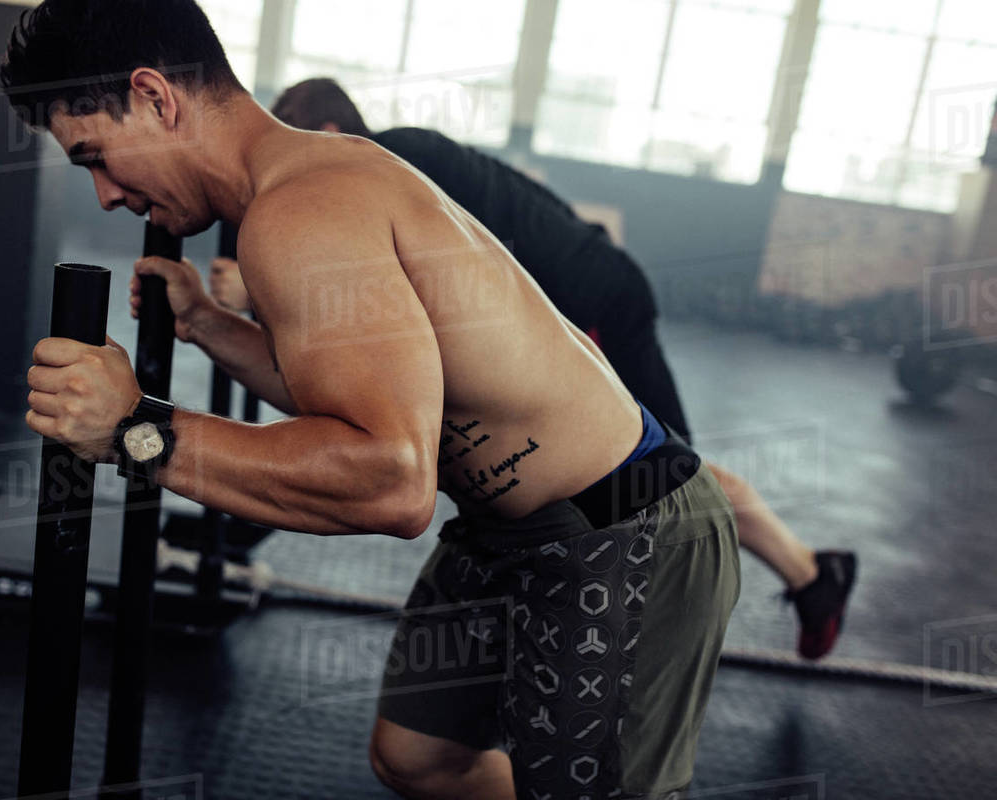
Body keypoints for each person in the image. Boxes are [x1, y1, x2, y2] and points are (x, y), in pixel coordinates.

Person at [1, 2, 739, 797]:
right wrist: (212, 327)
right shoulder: (312, 177)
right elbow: (360, 391)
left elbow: (391, 479)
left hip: (623, 528)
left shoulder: (300, 212)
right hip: (509, 533)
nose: (107, 195)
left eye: (96, 157)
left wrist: (133, 431)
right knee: (420, 756)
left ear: (154, 96)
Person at [205, 77, 856, 662]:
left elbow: (380, 317)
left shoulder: (385, 165)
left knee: (663, 477)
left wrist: (255, 296)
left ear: (326, 135)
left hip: (589, 301)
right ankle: (807, 572)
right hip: (578, 295)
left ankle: (809, 574)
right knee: (647, 474)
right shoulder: (385, 167)